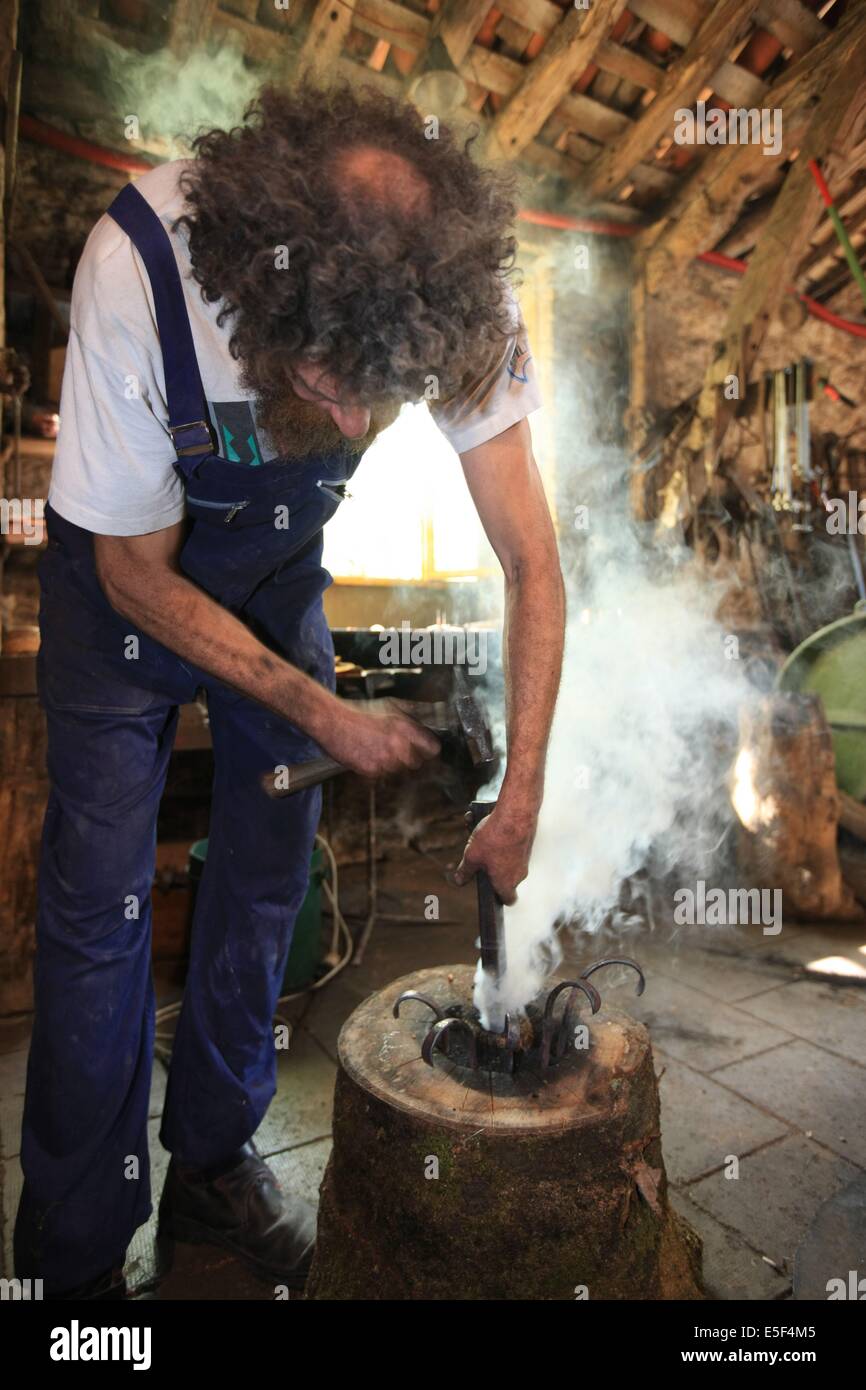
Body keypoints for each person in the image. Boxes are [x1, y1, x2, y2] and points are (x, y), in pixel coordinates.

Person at [15, 80, 565, 1299]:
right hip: (126, 590)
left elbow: (532, 555)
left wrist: (521, 790)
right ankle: (74, 1255)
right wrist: (323, 713)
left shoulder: (453, 298)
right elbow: (134, 575)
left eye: (388, 390)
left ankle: (210, 1165)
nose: (361, 419)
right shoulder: (139, 268)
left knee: (268, 873)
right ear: (265, 300)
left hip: (269, 582)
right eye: (330, 379)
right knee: (99, 914)